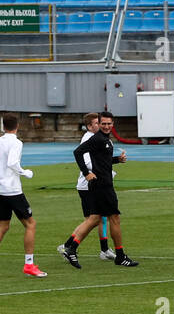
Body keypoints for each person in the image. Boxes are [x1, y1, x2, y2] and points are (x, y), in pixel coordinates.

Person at [59, 111, 138, 268]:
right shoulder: (97, 138)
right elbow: (77, 152)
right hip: (102, 186)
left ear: (113, 124)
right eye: (104, 124)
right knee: (114, 218)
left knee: (94, 219)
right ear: (99, 124)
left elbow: (102, 160)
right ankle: (120, 256)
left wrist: (117, 160)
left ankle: (71, 248)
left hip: (101, 185)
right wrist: (86, 172)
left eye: (109, 124)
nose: (107, 126)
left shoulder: (105, 140)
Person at [0, 114, 45, 279]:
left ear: (3, 126)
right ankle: (29, 264)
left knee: (3, 226)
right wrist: (25, 172)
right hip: (13, 190)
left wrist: (3, 169)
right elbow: (12, 162)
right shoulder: (16, 143)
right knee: (31, 224)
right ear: (17, 126)